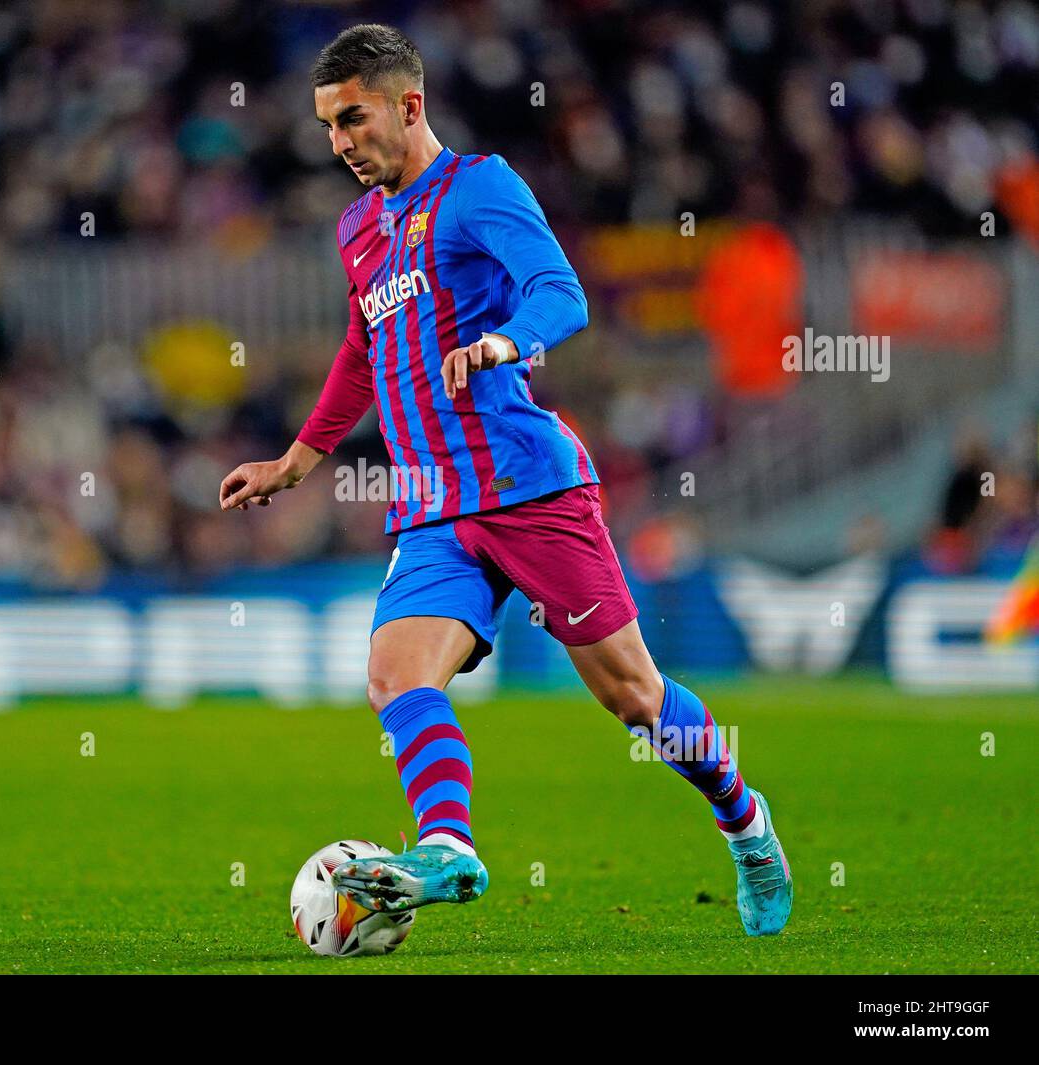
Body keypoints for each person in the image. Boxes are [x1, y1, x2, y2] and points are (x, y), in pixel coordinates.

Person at [218, 23, 791, 935]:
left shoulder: (479, 189)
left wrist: (502, 341)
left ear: (409, 106)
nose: (338, 144)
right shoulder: (357, 229)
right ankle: (448, 844)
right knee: (394, 674)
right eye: (328, 126)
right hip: (433, 509)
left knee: (634, 698)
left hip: (529, 486)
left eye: (353, 119)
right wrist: (295, 461)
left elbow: (560, 290)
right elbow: (364, 349)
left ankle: (747, 823)